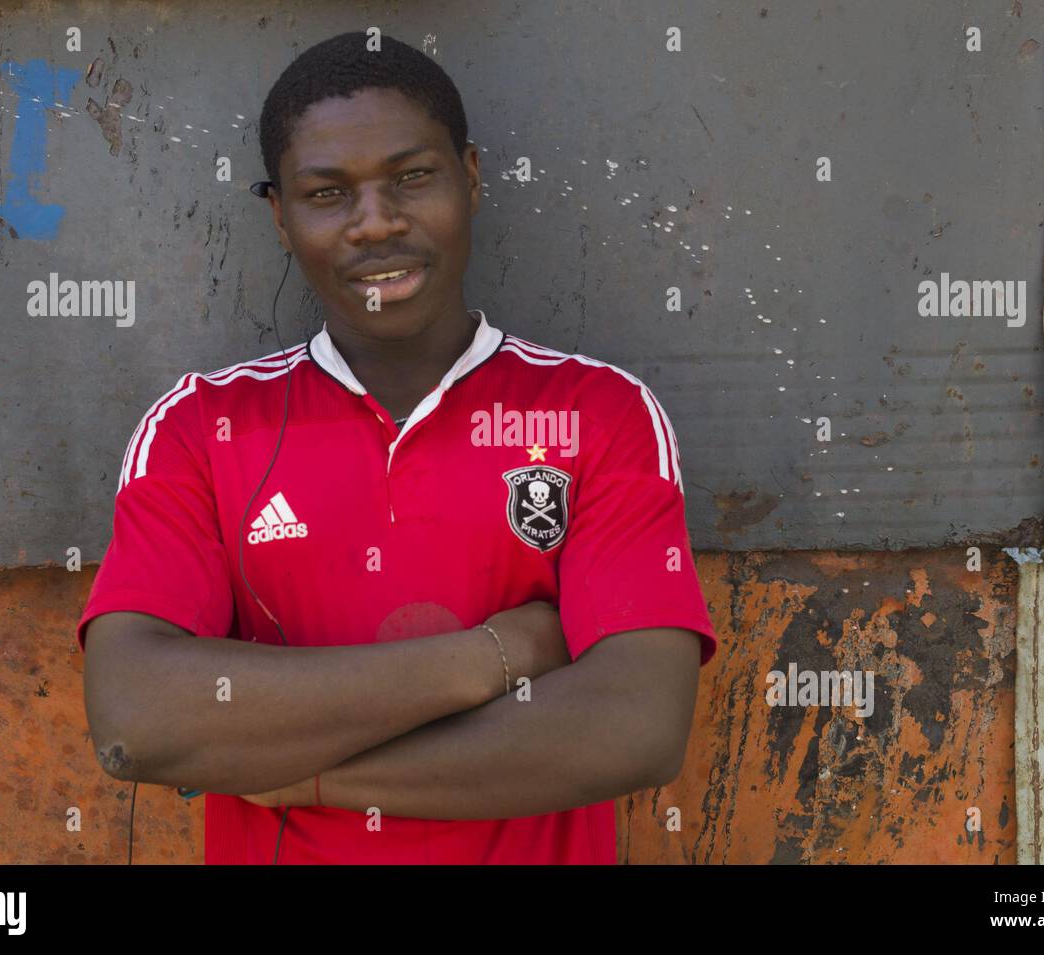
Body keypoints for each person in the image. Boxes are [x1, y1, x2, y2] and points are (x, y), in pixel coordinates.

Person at [78, 30, 717, 865]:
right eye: (327, 192)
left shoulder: (597, 414)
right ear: (280, 215)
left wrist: (308, 777)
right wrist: (497, 652)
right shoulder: (203, 427)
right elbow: (136, 720)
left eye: (413, 177)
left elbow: (635, 728)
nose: (375, 224)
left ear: (472, 177)